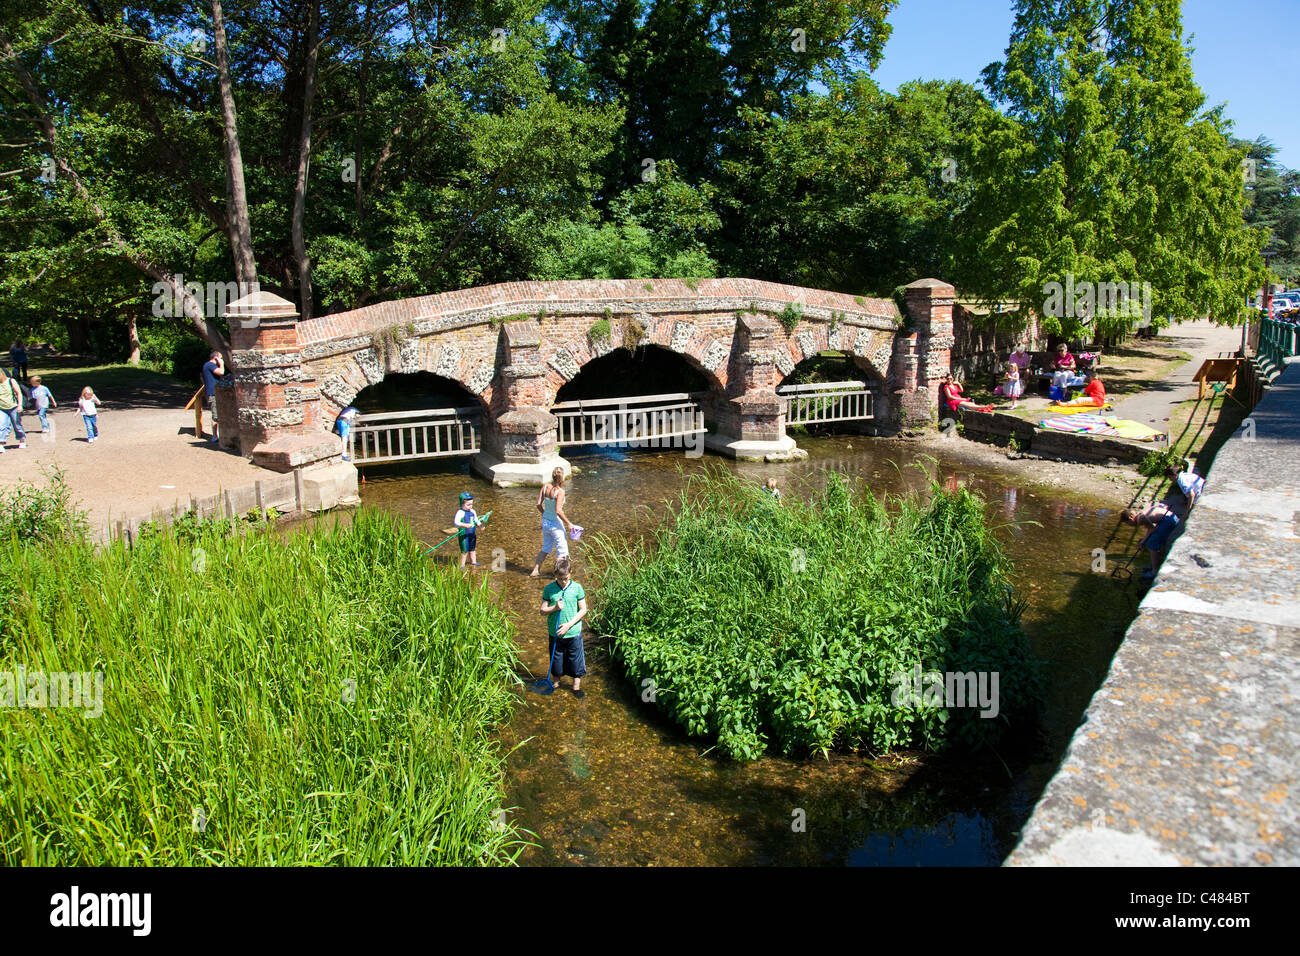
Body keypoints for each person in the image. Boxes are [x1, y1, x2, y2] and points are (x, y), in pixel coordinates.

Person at [534, 557, 588, 698]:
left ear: (570, 573)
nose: (563, 581)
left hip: (573, 633)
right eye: (560, 578)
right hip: (555, 633)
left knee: (576, 661)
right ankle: (555, 684)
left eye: (566, 578)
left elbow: (583, 610)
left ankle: (576, 688)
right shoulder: (549, 589)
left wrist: (569, 625)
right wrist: (555, 607)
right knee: (556, 661)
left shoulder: (577, 588)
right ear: (555, 575)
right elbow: (542, 610)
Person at [530, 467, 574, 577]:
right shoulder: (560, 492)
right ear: (562, 478)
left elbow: (538, 504)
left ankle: (535, 571)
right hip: (555, 523)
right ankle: (560, 575)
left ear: (552, 476)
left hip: (545, 521)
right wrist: (569, 523)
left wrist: (545, 514)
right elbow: (558, 511)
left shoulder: (545, 487)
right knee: (562, 551)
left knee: (545, 548)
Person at [1120, 501, 1180, 580]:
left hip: (1168, 521)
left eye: (1128, 524)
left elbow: (1152, 529)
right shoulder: (1141, 513)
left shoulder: (1140, 518)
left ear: (1131, 518)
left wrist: (1144, 541)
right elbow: (1151, 528)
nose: (1130, 526)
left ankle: (1154, 571)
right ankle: (1154, 565)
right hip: (1171, 517)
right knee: (1152, 541)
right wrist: (1143, 541)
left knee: (1152, 545)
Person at [454, 491, 483, 569]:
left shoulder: (473, 511)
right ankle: (462, 565)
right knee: (464, 551)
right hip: (464, 534)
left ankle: (473, 561)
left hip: (472, 534)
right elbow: (456, 522)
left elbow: (476, 520)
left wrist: (480, 525)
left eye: (471, 504)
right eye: (468, 505)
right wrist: (465, 525)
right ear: (462, 504)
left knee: (472, 549)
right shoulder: (460, 512)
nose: (470, 506)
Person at [201, 351, 225, 444]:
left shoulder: (208, 365)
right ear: (216, 358)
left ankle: (217, 436)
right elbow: (221, 372)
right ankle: (215, 437)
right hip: (213, 394)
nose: (222, 360)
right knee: (215, 416)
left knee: (217, 415)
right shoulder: (209, 365)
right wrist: (221, 364)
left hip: (215, 393)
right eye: (221, 358)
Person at [0, 368, 26, 450]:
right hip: (1, 408)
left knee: (17, 425)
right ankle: (1, 444)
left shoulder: (11, 381)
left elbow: (19, 393)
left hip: (13, 407)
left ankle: (22, 440)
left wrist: (20, 405)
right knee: (1, 425)